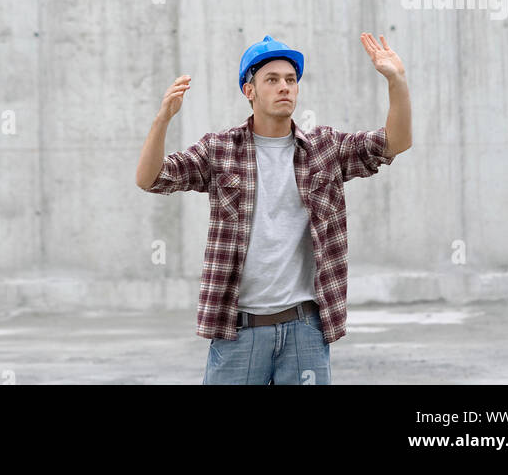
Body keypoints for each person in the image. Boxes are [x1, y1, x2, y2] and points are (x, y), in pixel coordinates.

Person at [136, 32, 412, 385]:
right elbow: (151, 178)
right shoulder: (220, 151)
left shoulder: (324, 149)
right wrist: (163, 119)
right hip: (239, 331)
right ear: (249, 91)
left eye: (290, 79)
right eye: (272, 79)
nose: (285, 87)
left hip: (305, 331)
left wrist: (396, 81)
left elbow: (395, 142)